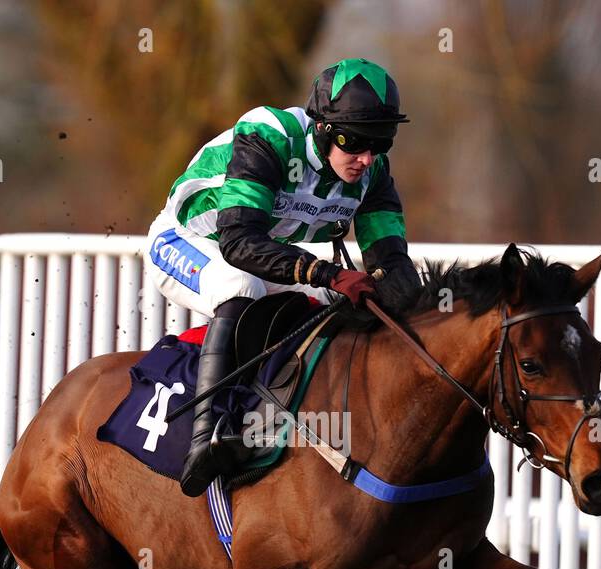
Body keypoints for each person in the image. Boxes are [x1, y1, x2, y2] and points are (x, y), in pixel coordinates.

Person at [143, 57, 423, 497]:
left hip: (249, 248)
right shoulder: (269, 135)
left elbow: (391, 262)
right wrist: (328, 273)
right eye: (355, 142)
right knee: (242, 288)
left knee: (337, 305)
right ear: (324, 129)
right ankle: (205, 438)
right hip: (184, 241)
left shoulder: (373, 175)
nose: (366, 158)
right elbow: (238, 243)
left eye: (381, 143)